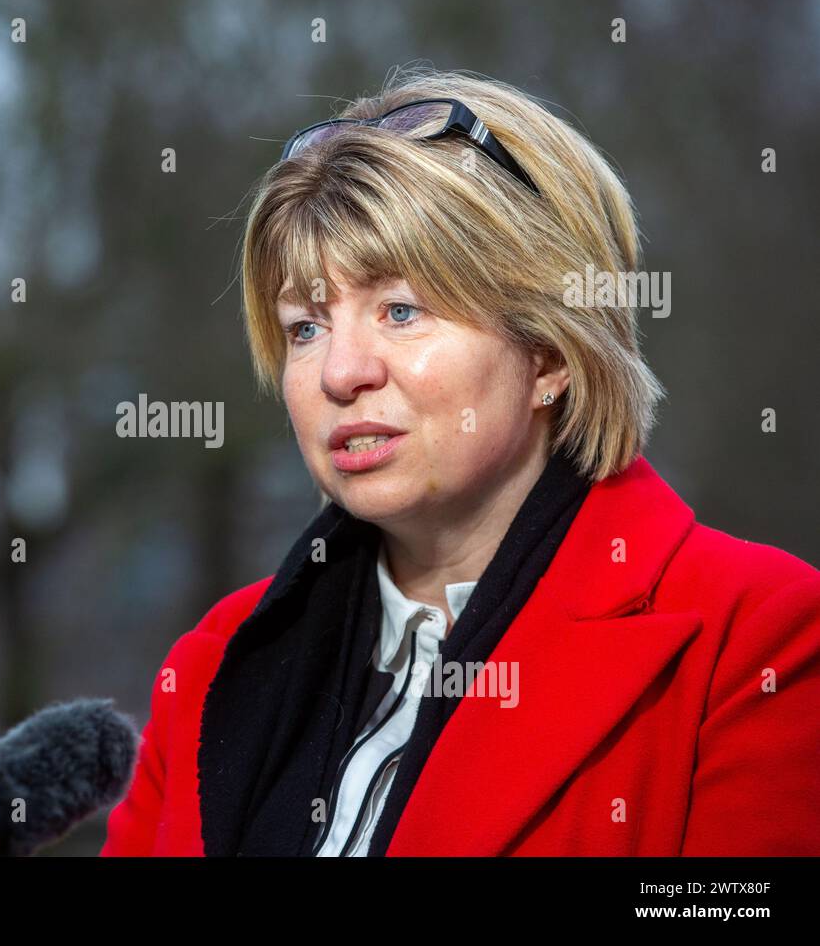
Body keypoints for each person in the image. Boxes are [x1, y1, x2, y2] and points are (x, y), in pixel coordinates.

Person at [99, 67, 820, 857]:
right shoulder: (210, 668)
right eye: (305, 326)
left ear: (550, 351)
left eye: (401, 311)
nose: (342, 372)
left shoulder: (755, 637)